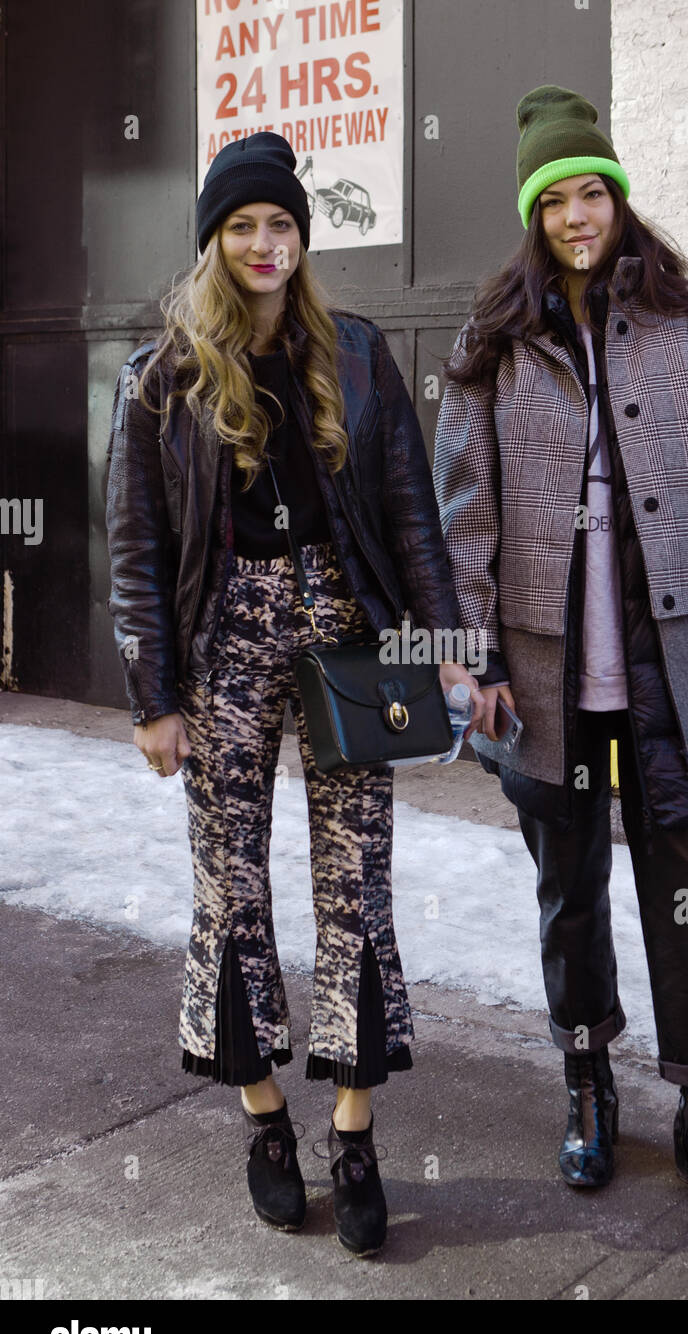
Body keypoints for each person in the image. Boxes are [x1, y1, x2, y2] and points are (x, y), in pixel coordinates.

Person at [105, 132, 483, 1257]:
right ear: (214, 241)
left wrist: (449, 647)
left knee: (356, 879)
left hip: (346, 636)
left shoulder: (355, 354)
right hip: (221, 638)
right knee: (229, 884)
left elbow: (412, 521)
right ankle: (265, 1116)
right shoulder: (160, 375)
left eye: (280, 226)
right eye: (242, 227)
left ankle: (355, 1129)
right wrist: (150, 697)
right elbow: (136, 550)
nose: (264, 245)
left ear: (300, 239)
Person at [433, 87, 688, 1227]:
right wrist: (467, 658)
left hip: (675, 683)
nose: (577, 216)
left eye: (593, 192)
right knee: (569, 901)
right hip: (546, 688)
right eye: (555, 199)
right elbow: (461, 520)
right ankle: (585, 1088)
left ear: (618, 200)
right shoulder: (491, 343)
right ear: (532, 217)